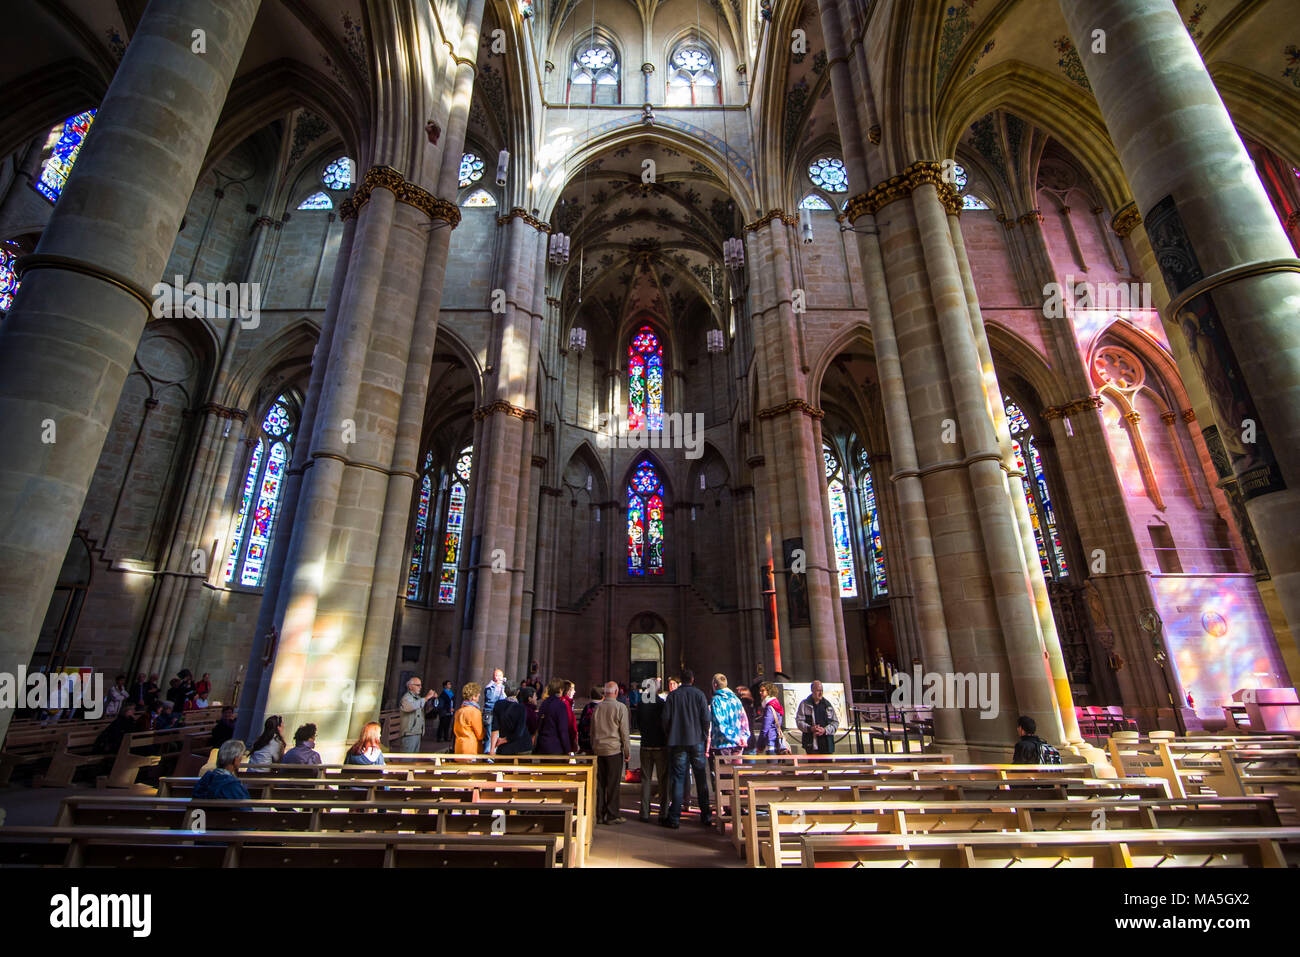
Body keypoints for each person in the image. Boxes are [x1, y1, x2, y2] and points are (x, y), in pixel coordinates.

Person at [662, 669, 712, 828]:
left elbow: (665, 719)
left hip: (678, 742)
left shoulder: (673, 696)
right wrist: (703, 736)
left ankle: (674, 818)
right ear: (692, 679)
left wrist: (671, 734)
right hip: (696, 740)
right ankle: (706, 815)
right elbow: (706, 718)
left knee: (678, 778)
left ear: (681, 680)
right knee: (701, 778)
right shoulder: (699, 695)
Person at [593, 682, 631, 825]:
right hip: (613, 751)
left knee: (600, 784)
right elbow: (624, 732)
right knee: (613, 784)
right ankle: (612, 815)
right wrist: (627, 751)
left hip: (599, 750)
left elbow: (593, 731)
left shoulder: (598, 708)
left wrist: (594, 746)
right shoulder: (620, 707)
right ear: (615, 692)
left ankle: (599, 814)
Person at [637, 678, 670, 823]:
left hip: (645, 744)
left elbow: (638, 723)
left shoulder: (641, 704)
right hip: (660, 745)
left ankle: (644, 813)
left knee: (646, 779)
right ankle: (663, 813)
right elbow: (666, 723)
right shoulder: (662, 704)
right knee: (663, 779)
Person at [709, 673, 750, 759]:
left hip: (722, 744)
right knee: (736, 771)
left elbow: (720, 723)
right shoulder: (736, 699)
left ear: (715, 685)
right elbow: (744, 721)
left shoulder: (716, 700)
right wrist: (743, 738)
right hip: (738, 745)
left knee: (723, 771)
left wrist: (735, 738)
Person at [796, 680, 839, 755]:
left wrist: (825, 730)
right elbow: (799, 721)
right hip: (811, 743)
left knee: (827, 765)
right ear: (812, 690)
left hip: (826, 743)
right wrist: (810, 728)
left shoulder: (827, 705)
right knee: (813, 765)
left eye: (822, 691)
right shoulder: (804, 704)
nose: (821, 693)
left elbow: (835, 722)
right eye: (818, 691)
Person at [490, 686, 533, 756]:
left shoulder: (498, 705)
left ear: (504, 692)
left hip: (504, 749)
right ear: (517, 692)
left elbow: (495, 728)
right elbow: (519, 732)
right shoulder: (521, 708)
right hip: (522, 747)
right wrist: (503, 740)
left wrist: (492, 749)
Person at [398, 676, 436, 753]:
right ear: (410, 686)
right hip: (409, 733)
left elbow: (424, 710)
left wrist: (432, 700)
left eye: (420, 685)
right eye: (418, 685)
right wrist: (426, 698)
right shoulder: (406, 697)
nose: (420, 687)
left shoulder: (418, 698)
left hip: (417, 732)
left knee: (414, 759)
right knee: (407, 759)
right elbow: (410, 707)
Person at [535, 678, 573, 755]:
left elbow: (539, 723)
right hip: (556, 746)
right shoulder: (560, 705)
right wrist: (567, 748)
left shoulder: (544, 703)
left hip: (543, 744)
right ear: (560, 690)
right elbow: (562, 729)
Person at [757, 683, 790, 754]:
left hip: (771, 741)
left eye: (762, 691)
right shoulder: (776, 705)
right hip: (778, 741)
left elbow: (765, 728)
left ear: (769, 692)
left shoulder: (769, 707)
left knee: (772, 764)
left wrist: (760, 745)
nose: (760, 693)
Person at [453, 682, 484, 756]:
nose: (479, 697)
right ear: (473, 696)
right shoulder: (474, 712)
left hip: (459, 746)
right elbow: (480, 735)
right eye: (478, 695)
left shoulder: (459, 711)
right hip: (471, 748)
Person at [482, 669, 507, 753]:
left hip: (497, 714)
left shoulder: (501, 687)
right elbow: (492, 701)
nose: (500, 678)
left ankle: (493, 753)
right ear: (495, 676)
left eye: (501, 676)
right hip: (490, 714)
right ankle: (488, 754)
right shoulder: (491, 687)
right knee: (489, 735)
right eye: (498, 676)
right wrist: (499, 687)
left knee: (496, 735)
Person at [577, 685, 602, 754]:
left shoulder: (587, 707)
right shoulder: (603, 707)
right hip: (600, 741)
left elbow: (581, 725)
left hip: (587, 741)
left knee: (589, 760)